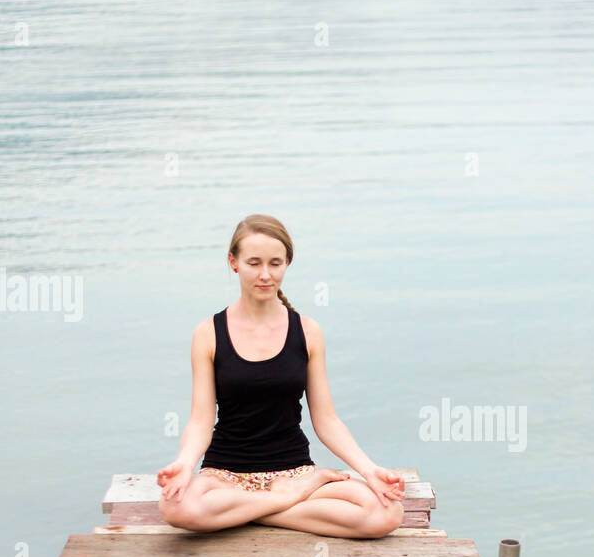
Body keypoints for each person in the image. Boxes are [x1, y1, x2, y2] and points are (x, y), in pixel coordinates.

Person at [155, 214, 406, 537]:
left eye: (275, 263)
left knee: (386, 514)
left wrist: (370, 471)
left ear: (287, 263)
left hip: (296, 471)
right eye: (253, 263)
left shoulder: (308, 331)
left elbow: (327, 420)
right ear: (233, 262)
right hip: (225, 474)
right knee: (174, 507)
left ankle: (249, 512)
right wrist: (185, 464)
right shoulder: (208, 333)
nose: (265, 275)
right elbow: (201, 420)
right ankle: (282, 502)